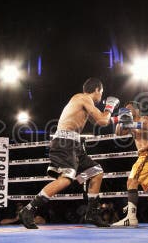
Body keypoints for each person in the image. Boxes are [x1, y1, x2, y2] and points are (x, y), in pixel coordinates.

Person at [18, 77, 120, 229]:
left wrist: (118, 119)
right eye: (102, 93)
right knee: (66, 179)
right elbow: (103, 120)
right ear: (97, 90)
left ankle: (91, 213)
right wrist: (110, 107)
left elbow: (98, 121)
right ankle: (28, 209)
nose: (101, 97)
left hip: (74, 145)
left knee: (96, 172)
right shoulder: (83, 97)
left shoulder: (83, 102)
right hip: (65, 142)